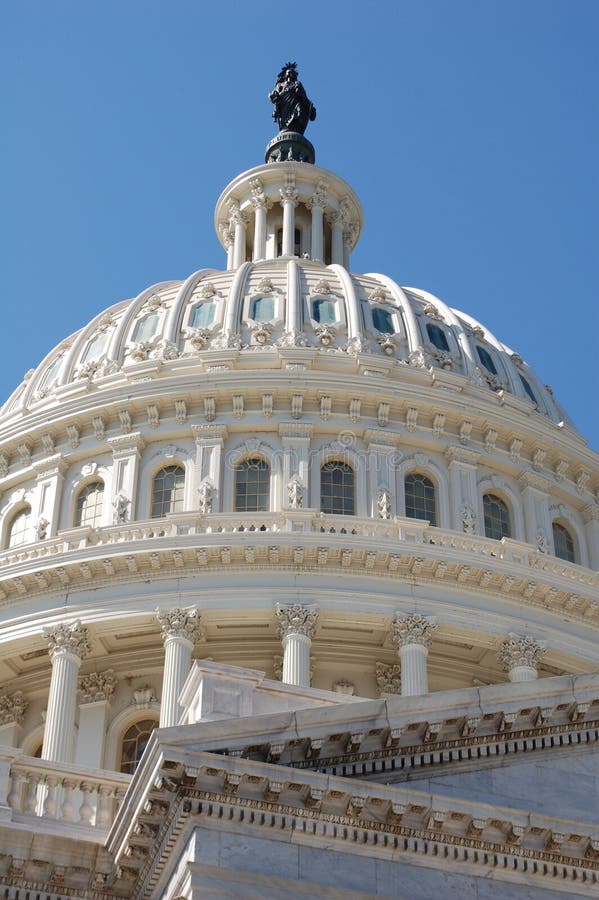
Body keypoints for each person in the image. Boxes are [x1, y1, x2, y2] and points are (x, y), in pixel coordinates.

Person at [269, 62, 316, 135]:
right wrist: (274, 96)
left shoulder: (297, 84)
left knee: (299, 111)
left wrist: (310, 106)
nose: (292, 75)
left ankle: (296, 128)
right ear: (287, 74)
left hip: (295, 104)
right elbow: (273, 95)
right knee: (285, 121)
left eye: (293, 73)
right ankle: (286, 129)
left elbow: (304, 96)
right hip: (285, 106)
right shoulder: (280, 85)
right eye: (290, 73)